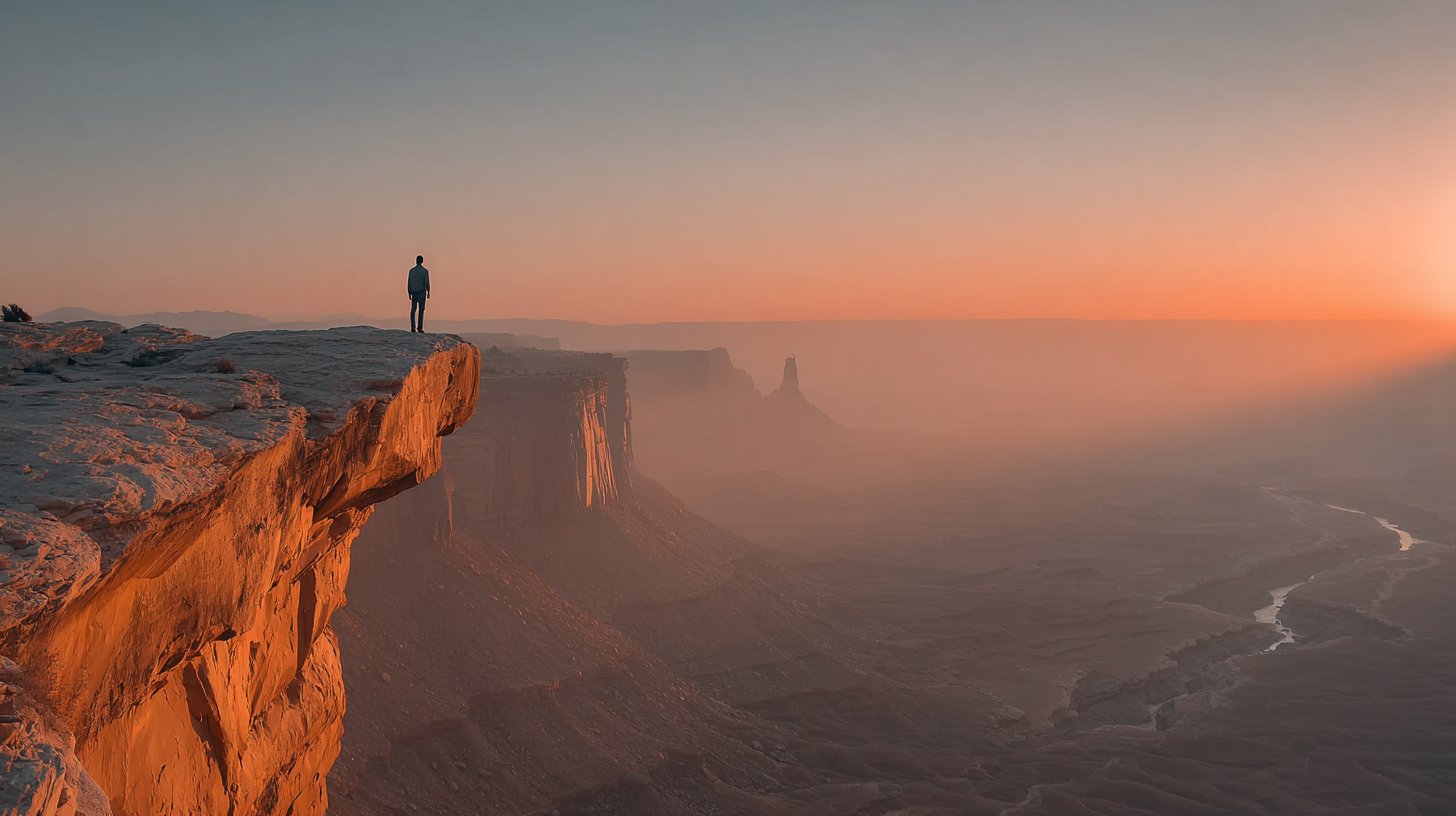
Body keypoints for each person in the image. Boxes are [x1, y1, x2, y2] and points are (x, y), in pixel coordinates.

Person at [407, 255, 430, 332]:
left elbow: (409, 282)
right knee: (421, 310)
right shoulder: (424, 271)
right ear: (422, 261)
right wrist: (428, 291)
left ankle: (413, 327)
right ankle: (419, 328)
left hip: (414, 292)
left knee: (413, 310)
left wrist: (409, 292)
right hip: (421, 292)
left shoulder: (412, 271)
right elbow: (426, 282)